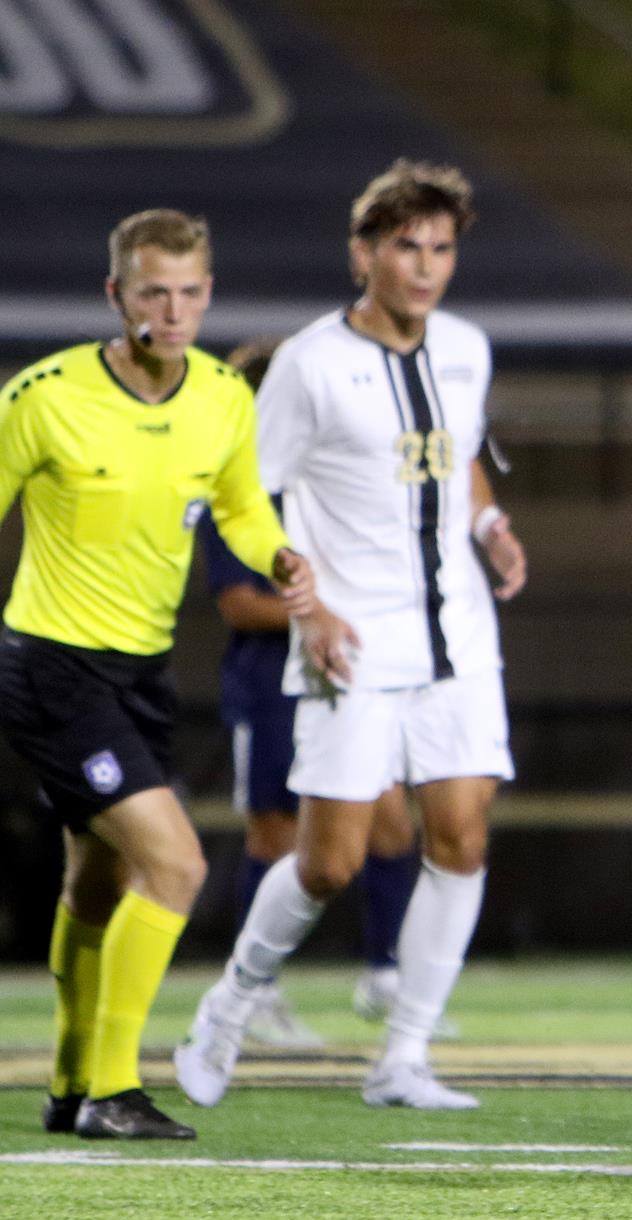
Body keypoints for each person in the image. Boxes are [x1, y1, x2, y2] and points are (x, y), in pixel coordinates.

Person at [176, 159, 525, 1112]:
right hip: (354, 641)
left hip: (459, 633)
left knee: (460, 839)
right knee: (327, 863)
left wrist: (491, 526)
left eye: (442, 247)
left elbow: (460, 457)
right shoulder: (309, 363)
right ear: (364, 253)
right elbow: (245, 495)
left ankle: (402, 1056)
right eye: (407, 246)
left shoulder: (467, 347)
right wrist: (307, 603)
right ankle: (228, 1006)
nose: (427, 265)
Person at [0, 209, 320, 1140]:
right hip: (50, 665)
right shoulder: (45, 395)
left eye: (188, 293)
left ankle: (70, 1083)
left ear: (207, 294)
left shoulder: (222, 396)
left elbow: (242, 507)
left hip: (141, 672)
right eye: (152, 293)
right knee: (175, 863)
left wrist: (280, 555)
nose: (171, 312)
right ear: (117, 294)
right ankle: (112, 1086)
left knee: (98, 882)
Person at [194, 358, 424, 1048]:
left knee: (391, 822)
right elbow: (239, 603)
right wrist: (322, 612)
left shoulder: (339, 478)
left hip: (346, 677)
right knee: (275, 837)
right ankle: (255, 991)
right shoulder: (240, 487)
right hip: (270, 683)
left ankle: (387, 974)